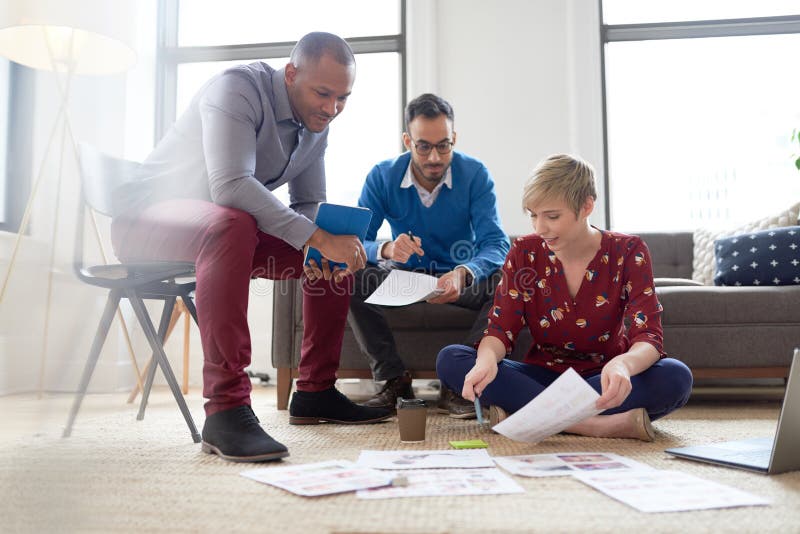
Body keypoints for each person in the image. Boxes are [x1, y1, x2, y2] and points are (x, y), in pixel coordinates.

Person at [111, 32, 391, 464]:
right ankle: (225, 410)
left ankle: (316, 390)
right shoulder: (236, 88)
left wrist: (328, 239)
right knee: (237, 223)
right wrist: (314, 236)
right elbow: (231, 185)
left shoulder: (317, 128)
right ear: (292, 73)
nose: (332, 109)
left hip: (221, 227)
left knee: (333, 242)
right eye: (323, 93)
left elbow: (307, 205)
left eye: (343, 98)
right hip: (145, 220)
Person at [436, 154, 693, 440]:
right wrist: (486, 360)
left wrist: (623, 365)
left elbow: (649, 338)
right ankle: (593, 425)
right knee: (452, 359)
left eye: (552, 216)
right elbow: (500, 329)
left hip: (603, 378)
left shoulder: (628, 251)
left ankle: (527, 414)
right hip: (541, 376)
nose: (539, 228)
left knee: (676, 376)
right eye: (533, 215)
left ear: (586, 206)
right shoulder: (524, 251)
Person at [349, 93, 510, 417]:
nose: (435, 156)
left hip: (457, 279)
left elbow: (495, 242)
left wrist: (465, 272)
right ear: (408, 141)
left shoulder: (475, 174)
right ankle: (394, 380)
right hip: (405, 279)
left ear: (454, 139)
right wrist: (386, 249)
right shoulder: (382, 176)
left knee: (508, 283)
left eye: (444, 145)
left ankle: (458, 382)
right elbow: (354, 242)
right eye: (424, 146)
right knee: (351, 276)